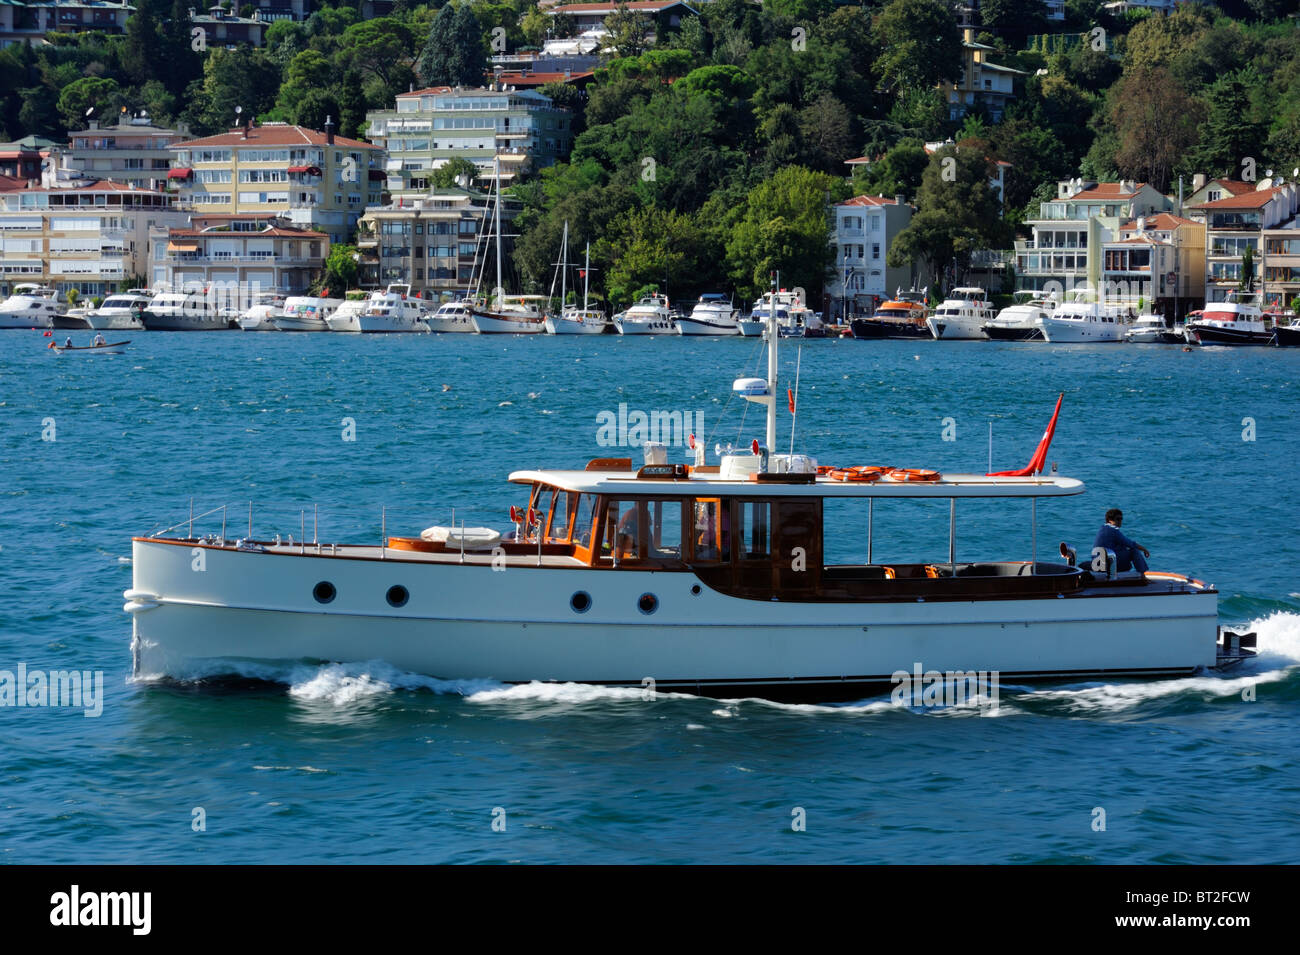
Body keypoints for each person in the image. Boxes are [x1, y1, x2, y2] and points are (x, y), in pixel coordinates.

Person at [1094, 508, 1150, 573]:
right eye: (1117, 519)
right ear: (1110, 520)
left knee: (1122, 548)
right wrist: (1144, 549)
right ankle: (1143, 574)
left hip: (1098, 565)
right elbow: (1131, 544)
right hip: (1108, 566)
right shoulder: (1113, 531)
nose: (1120, 521)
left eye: (1121, 519)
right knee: (1134, 550)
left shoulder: (1102, 528)